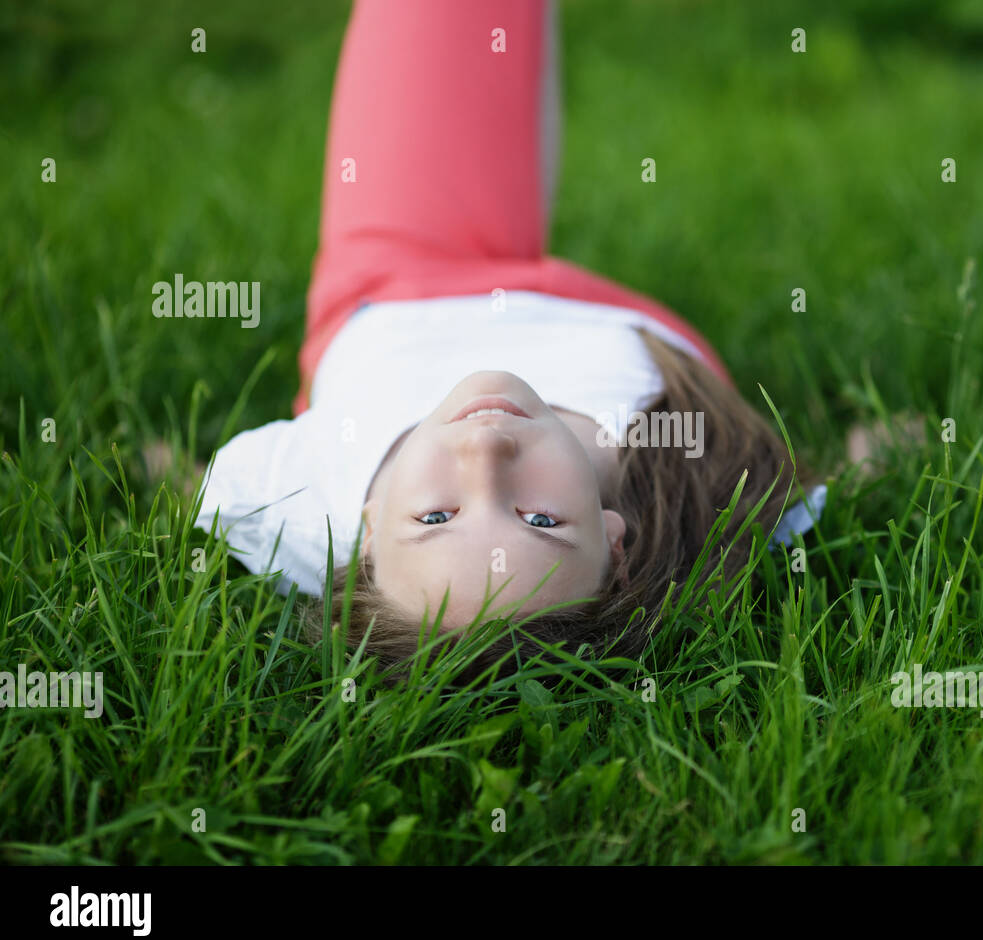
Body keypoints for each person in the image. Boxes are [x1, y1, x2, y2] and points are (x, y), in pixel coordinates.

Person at [195, 0, 824, 679]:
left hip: (409, 273)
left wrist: (171, 471)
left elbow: (218, 492)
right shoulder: (708, 495)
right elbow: (798, 499)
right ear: (615, 542)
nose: (485, 448)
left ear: (369, 530)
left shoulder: (306, 495)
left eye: (435, 517)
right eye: (542, 521)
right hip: (611, 318)